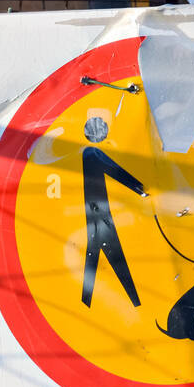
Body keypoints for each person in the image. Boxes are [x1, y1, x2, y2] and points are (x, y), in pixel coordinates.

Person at [80, 115, 147, 308]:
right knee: (113, 257)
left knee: (94, 255)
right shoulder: (93, 153)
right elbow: (115, 171)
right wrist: (138, 187)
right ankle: (135, 303)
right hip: (100, 215)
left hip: (95, 213)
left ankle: (85, 302)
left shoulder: (90, 153)